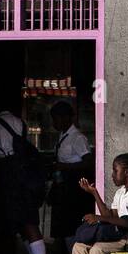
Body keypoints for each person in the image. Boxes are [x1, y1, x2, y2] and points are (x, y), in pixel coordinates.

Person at [0, 104, 52, 254]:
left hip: (7, 177)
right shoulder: (20, 123)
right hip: (25, 177)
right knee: (30, 222)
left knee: (7, 223)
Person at [48, 101, 94, 245]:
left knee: (70, 225)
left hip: (73, 186)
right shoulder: (63, 135)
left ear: (66, 118)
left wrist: (64, 166)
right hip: (63, 184)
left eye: (56, 118)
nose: (54, 122)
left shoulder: (77, 138)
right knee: (62, 227)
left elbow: (88, 162)